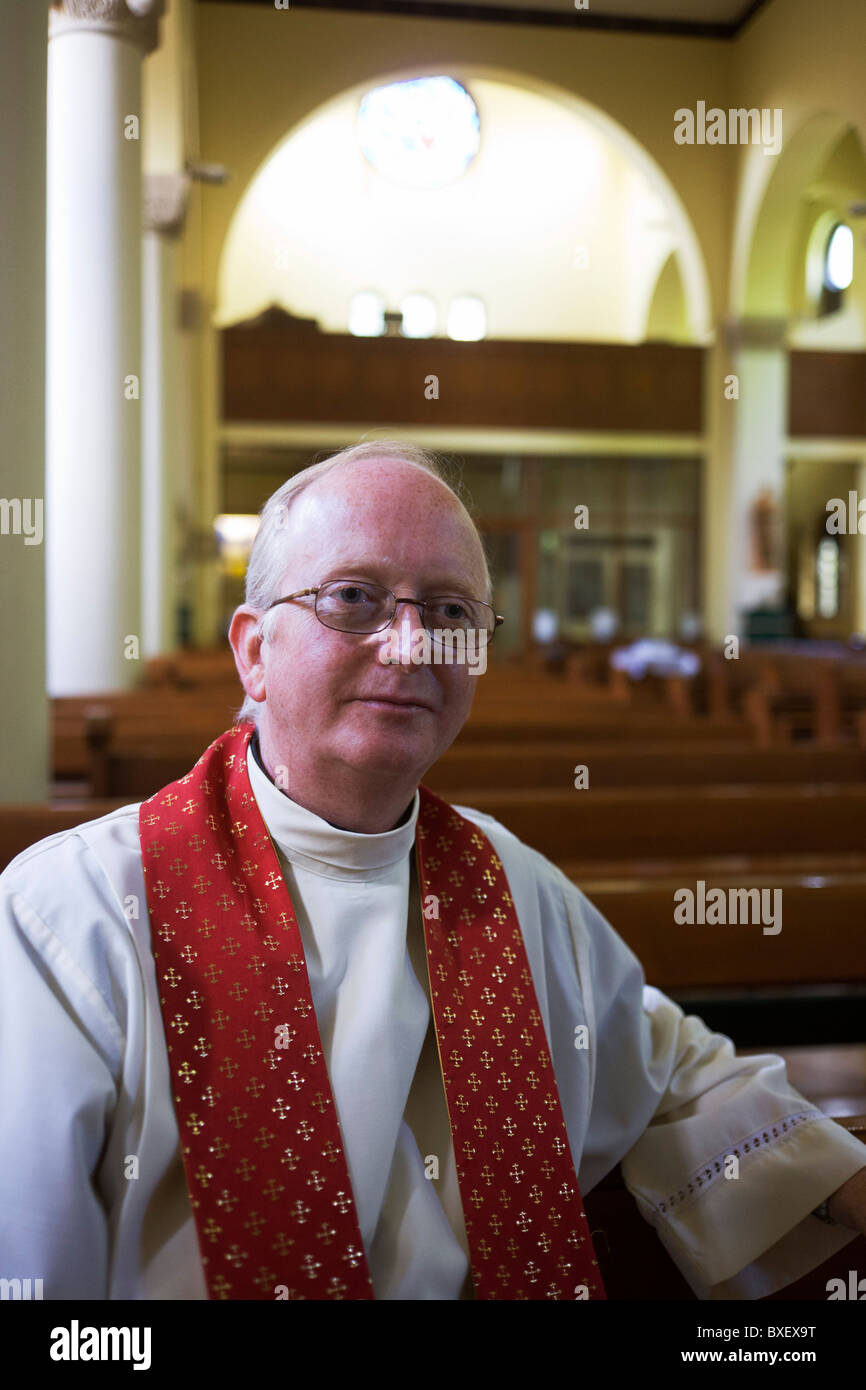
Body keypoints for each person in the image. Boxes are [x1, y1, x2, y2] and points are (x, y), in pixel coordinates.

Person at [1, 439, 864, 1301]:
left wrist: (836, 1172)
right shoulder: (74, 916)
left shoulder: (515, 889)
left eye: (451, 612)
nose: (412, 646)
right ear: (254, 651)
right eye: (354, 598)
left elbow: (664, 1067)